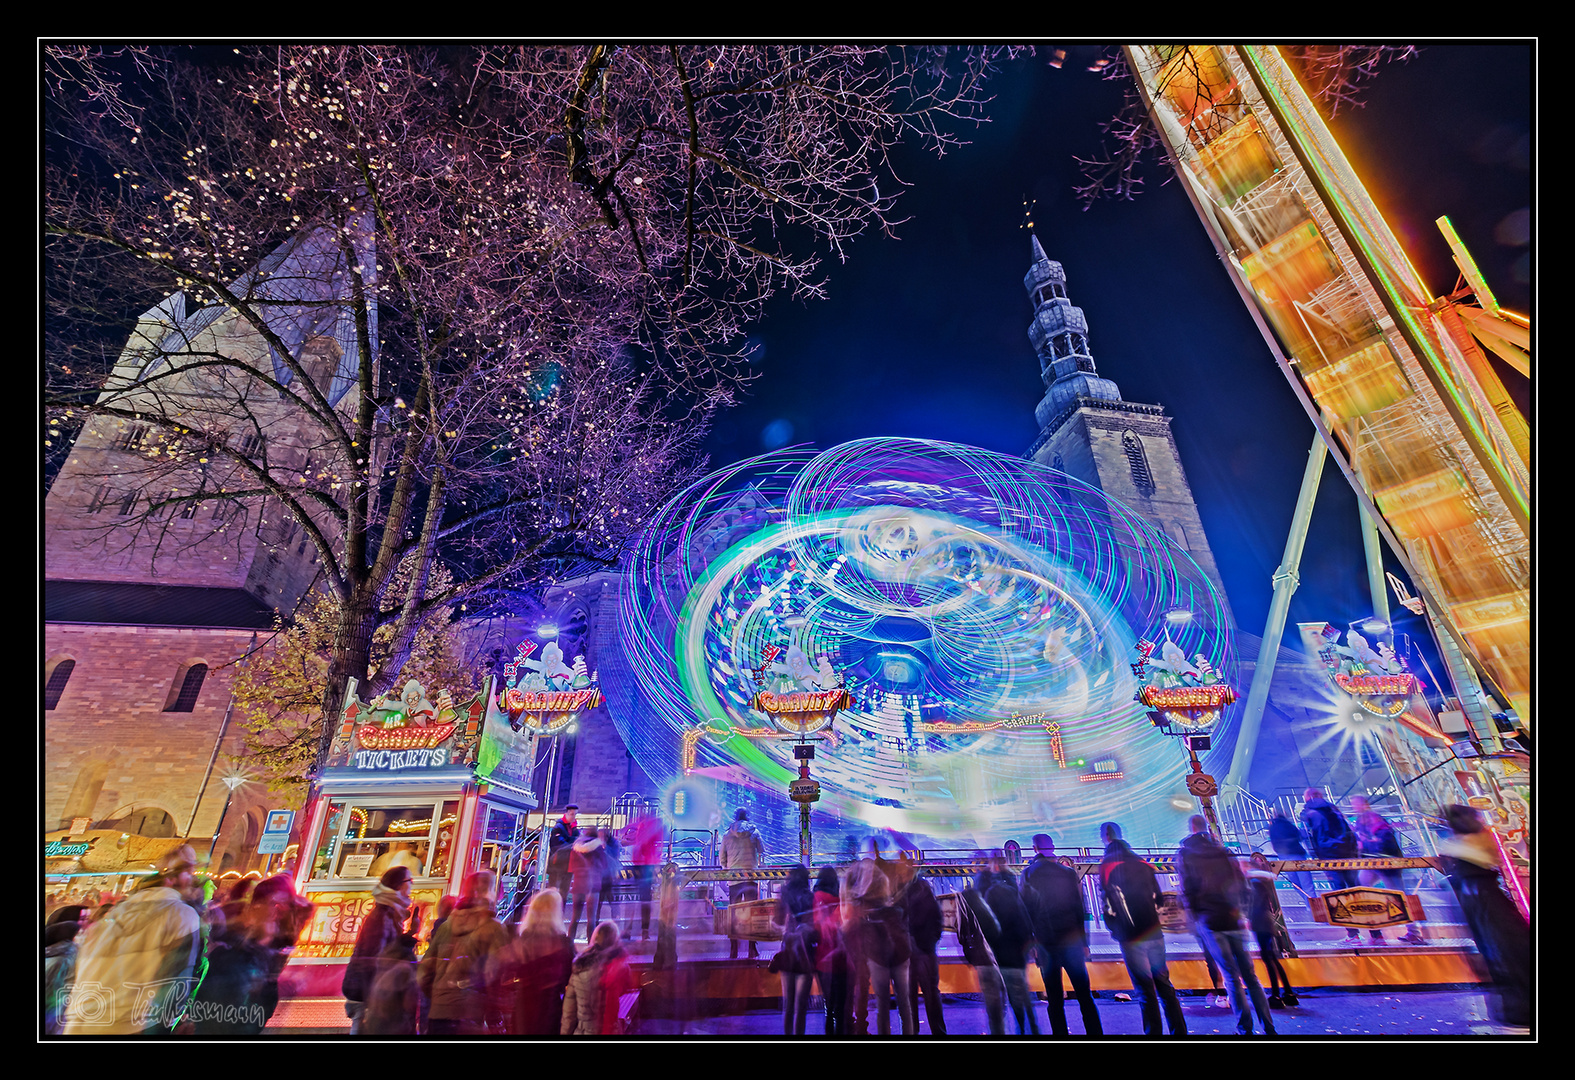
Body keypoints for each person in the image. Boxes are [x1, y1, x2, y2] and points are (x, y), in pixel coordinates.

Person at [63, 849, 204, 1034]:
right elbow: (175, 985)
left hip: (78, 1023)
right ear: (170, 880)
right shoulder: (181, 915)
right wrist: (171, 1022)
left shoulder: (111, 915)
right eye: (188, 872)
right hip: (131, 1025)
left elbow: (75, 974)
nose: (192, 880)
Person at [1177, 816, 1276, 1035]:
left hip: (1209, 920)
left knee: (1231, 976)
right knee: (1250, 976)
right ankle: (1269, 1028)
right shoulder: (1223, 852)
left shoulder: (1185, 855)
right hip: (1233, 918)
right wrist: (1242, 912)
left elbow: (1186, 889)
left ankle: (1245, 1030)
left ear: (1191, 829)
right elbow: (1242, 885)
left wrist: (1194, 916)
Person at [1440, 804, 1530, 1032]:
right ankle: (1520, 1007)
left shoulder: (1460, 845)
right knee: (1509, 949)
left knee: (1505, 951)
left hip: (1480, 903)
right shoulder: (1473, 842)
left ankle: (1519, 1008)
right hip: (1486, 902)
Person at [1098, 822, 1186, 1037]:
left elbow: (1107, 903)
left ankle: (1153, 1033)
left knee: (1145, 990)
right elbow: (1158, 897)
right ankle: (1179, 1032)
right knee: (1165, 985)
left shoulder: (1107, 865)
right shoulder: (1142, 863)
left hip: (1130, 935)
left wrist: (1115, 928)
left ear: (1105, 837)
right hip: (1153, 931)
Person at [1020, 833, 1103, 1036]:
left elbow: (1025, 912)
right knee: (1084, 996)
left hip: (1046, 943)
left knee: (1055, 1000)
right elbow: (1078, 908)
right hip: (1072, 941)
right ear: (1053, 847)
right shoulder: (1068, 873)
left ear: (1034, 849)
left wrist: (1032, 943)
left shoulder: (1028, 874)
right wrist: (1084, 942)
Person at [419, 870, 512, 1035]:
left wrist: (440, 999)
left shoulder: (446, 926)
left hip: (438, 1014)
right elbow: (496, 976)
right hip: (469, 1015)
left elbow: (424, 972)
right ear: (488, 892)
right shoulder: (493, 928)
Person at [490, 889, 574, 1035]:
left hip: (523, 1008)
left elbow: (500, 970)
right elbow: (571, 977)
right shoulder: (563, 944)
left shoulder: (523, 941)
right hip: (551, 1009)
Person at [845, 857, 914, 1036]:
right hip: (900, 954)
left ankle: (870, 1030)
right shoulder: (894, 904)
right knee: (903, 1002)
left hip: (876, 957)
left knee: (881, 1003)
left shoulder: (863, 906)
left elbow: (850, 928)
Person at [343, 866, 414, 1034]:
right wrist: (375, 998)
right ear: (398, 885)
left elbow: (390, 951)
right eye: (409, 881)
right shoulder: (382, 917)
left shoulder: (389, 913)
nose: (412, 885)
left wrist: (411, 933)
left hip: (372, 992)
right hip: (367, 994)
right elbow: (373, 960)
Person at [1352, 798, 1425, 944]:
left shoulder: (1372, 817)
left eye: (1356, 804)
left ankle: (1414, 932)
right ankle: (1377, 932)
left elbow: (1384, 838)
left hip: (1386, 862)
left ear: (1364, 804)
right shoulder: (1363, 819)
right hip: (1373, 861)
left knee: (1398, 895)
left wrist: (1367, 844)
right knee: (1362, 890)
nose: (1354, 807)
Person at [979, 856, 1038, 1035]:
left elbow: (985, 926)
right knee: (1021, 999)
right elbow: (1024, 920)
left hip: (996, 956)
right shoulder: (1014, 888)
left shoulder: (987, 890)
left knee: (997, 1004)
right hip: (1015, 954)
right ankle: (1028, 1030)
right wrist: (1029, 943)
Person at [1300, 788, 1363, 943]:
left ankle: (1353, 933)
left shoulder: (1309, 813)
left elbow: (1310, 838)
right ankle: (1376, 933)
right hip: (1348, 855)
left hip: (1329, 857)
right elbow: (1349, 831)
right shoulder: (1334, 809)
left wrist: (1318, 858)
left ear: (1307, 798)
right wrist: (1353, 852)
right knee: (1358, 891)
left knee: (1339, 894)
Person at [894, 856, 946, 1035]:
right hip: (919, 951)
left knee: (914, 998)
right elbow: (937, 918)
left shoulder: (905, 891)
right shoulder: (921, 889)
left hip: (918, 951)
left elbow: (935, 919)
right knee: (927, 996)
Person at [561, 919, 638, 1035]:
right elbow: (625, 990)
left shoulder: (579, 968)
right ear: (615, 941)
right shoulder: (620, 967)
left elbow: (569, 1014)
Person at [958, 869, 1008, 1035]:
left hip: (982, 959)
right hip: (993, 959)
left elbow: (963, 936)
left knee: (993, 1003)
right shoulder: (988, 908)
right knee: (999, 1001)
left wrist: (970, 957)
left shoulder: (967, 912)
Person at [770, 864, 817, 1035]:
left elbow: (777, 923)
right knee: (801, 1007)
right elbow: (815, 926)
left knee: (788, 1005)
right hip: (806, 953)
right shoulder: (811, 897)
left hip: (788, 950)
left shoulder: (785, 895)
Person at [1246, 853, 1298, 1008]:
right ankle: (1288, 993)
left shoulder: (1255, 883)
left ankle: (1276, 995)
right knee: (1272, 958)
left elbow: (1256, 904)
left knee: (1269, 958)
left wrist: (1248, 918)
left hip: (1261, 923)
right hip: (1265, 922)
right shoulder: (1262, 882)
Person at [361, 909, 424, 1036]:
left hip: (376, 1021)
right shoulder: (404, 965)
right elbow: (409, 1003)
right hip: (395, 1024)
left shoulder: (384, 957)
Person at [720, 808, 764, 960]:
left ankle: (734, 950)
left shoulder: (726, 835)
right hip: (751, 877)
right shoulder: (755, 832)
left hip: (734, 879)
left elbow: (722, 858)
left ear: (735, 817)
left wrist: (727, 870)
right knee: (752, 912)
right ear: (748, 817)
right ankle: (752, 949)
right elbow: (761, 850)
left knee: (734, 914)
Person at [811, 864, 849, 1036]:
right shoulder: (842, 899)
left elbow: (813, 927)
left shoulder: (815, 898)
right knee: (841, 1007)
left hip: (822, 959)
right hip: (842, 959)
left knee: (829, 1006)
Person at [44, 910, 85, 1036]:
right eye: (78, 934)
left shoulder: (55, 955)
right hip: (53, 1015)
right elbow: (54, 994)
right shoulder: (62, 960)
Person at [628, 808, 665, 941]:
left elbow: (643, 847)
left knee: (640, 899)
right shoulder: (646, 827)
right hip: (644, 866)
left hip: (641, 866)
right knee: (644, 899)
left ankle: (634, 930)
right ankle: (642, 930)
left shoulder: (643, 827)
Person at [1267, 808, 1316, 899]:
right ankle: (1314, 906)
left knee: (1295, 883)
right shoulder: (1289, 825)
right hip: (1297, 854)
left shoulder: (1272, 828)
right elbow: (1299, 837)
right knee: (1307, 883)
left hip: (1283, 856)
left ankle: (1308, 904)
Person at [566, 826, 605, 941]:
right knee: (591, 919)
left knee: (574, 918)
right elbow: (603, 865)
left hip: (578, 884)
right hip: (593, 885)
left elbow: (571, 867)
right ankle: (590, 944)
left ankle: (569, 944)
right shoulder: (598, 847)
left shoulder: (576, 848)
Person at [548, 804, 580, 898]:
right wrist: (573, 842)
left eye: (575, 814)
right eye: (571, 814)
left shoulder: (573, 829)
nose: (573, 817)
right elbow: (557, 846)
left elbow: (577, 841)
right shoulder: (558, 827)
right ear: (565, 814)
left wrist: (571, 840)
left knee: (564, 893)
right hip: (557, 865)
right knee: (554, 893)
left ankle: (561, 912)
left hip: (568, 865)